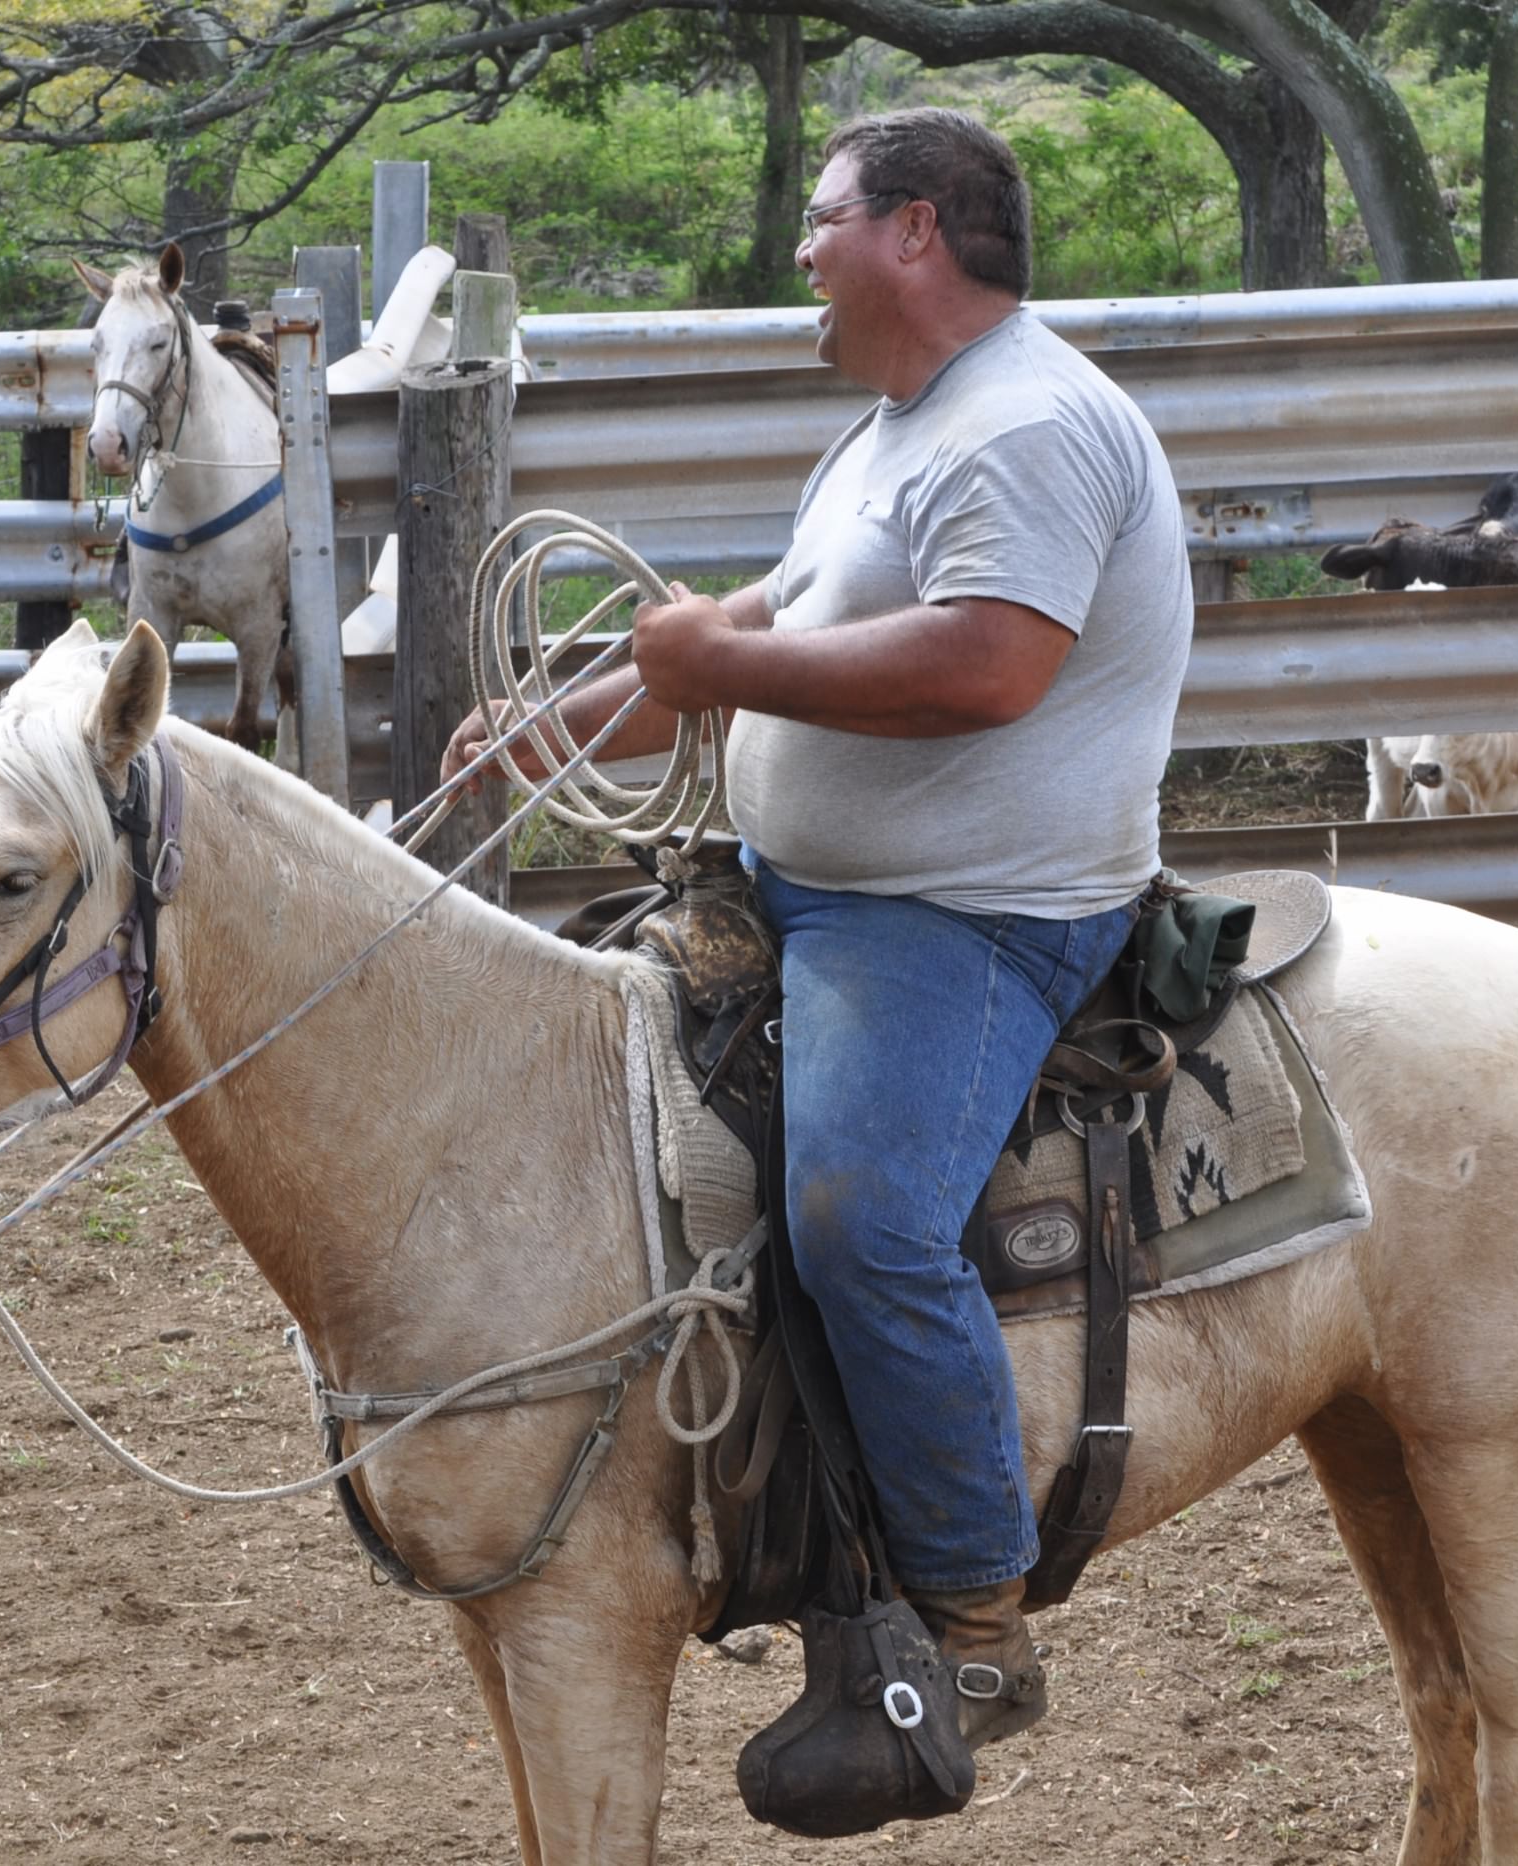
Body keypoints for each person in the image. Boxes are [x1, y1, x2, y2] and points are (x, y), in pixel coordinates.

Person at [444, 106, 1194, 1749]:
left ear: (915, 231)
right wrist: (551, 724)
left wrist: (708, 670)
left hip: (961, 915)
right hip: (805, 885)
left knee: (862, 1214)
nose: (800, 251)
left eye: (824, 218)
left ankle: (974, 1609)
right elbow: (758, 630)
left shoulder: (1030, 425)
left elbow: (985, 664)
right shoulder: (893, 430)